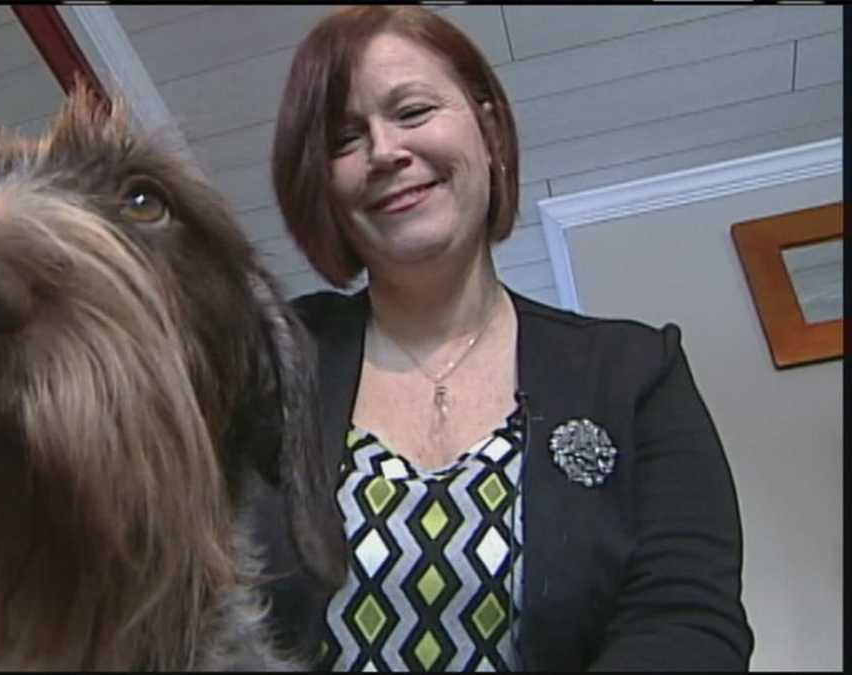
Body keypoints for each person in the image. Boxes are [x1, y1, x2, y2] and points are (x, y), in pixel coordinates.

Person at [252, 6, 754, 671]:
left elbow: (690, 620)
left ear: (488, 130)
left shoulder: (635, 371)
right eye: (345, 138)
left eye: (412, 111)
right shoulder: (265, 364)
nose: (384, 151)